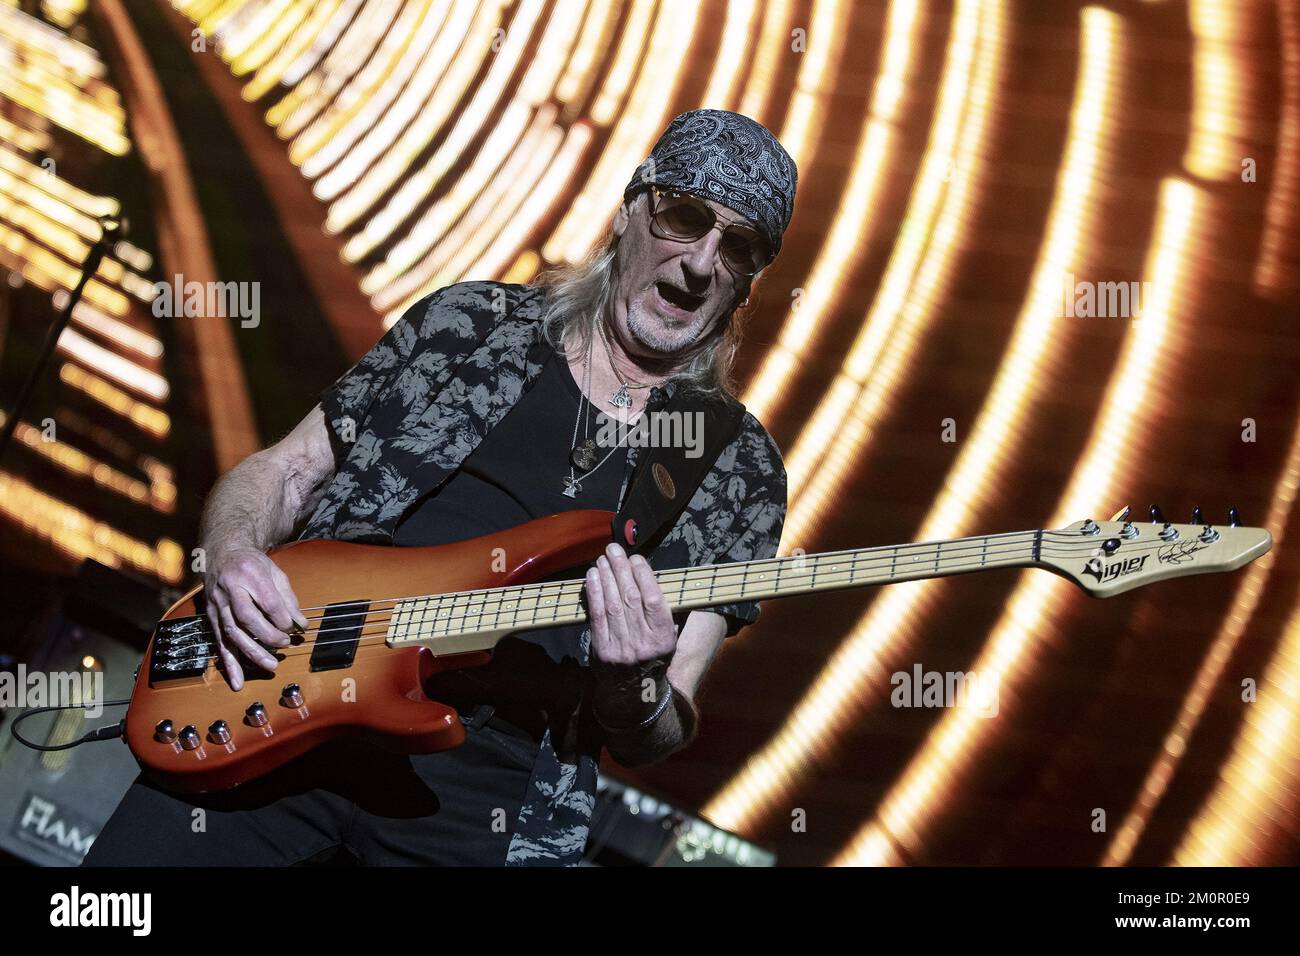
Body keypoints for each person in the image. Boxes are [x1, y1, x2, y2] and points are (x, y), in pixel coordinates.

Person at [84, 108, 796, 866]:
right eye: (685, 218)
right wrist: (230, 555)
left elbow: (663, 720)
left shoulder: (739, 468)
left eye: (738, 249)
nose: (699, 263)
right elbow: (285, 470)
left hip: (488, 797)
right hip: (288, 698)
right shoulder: (469, 325)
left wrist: (634, 688)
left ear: (747, 283)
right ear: (629, 211)